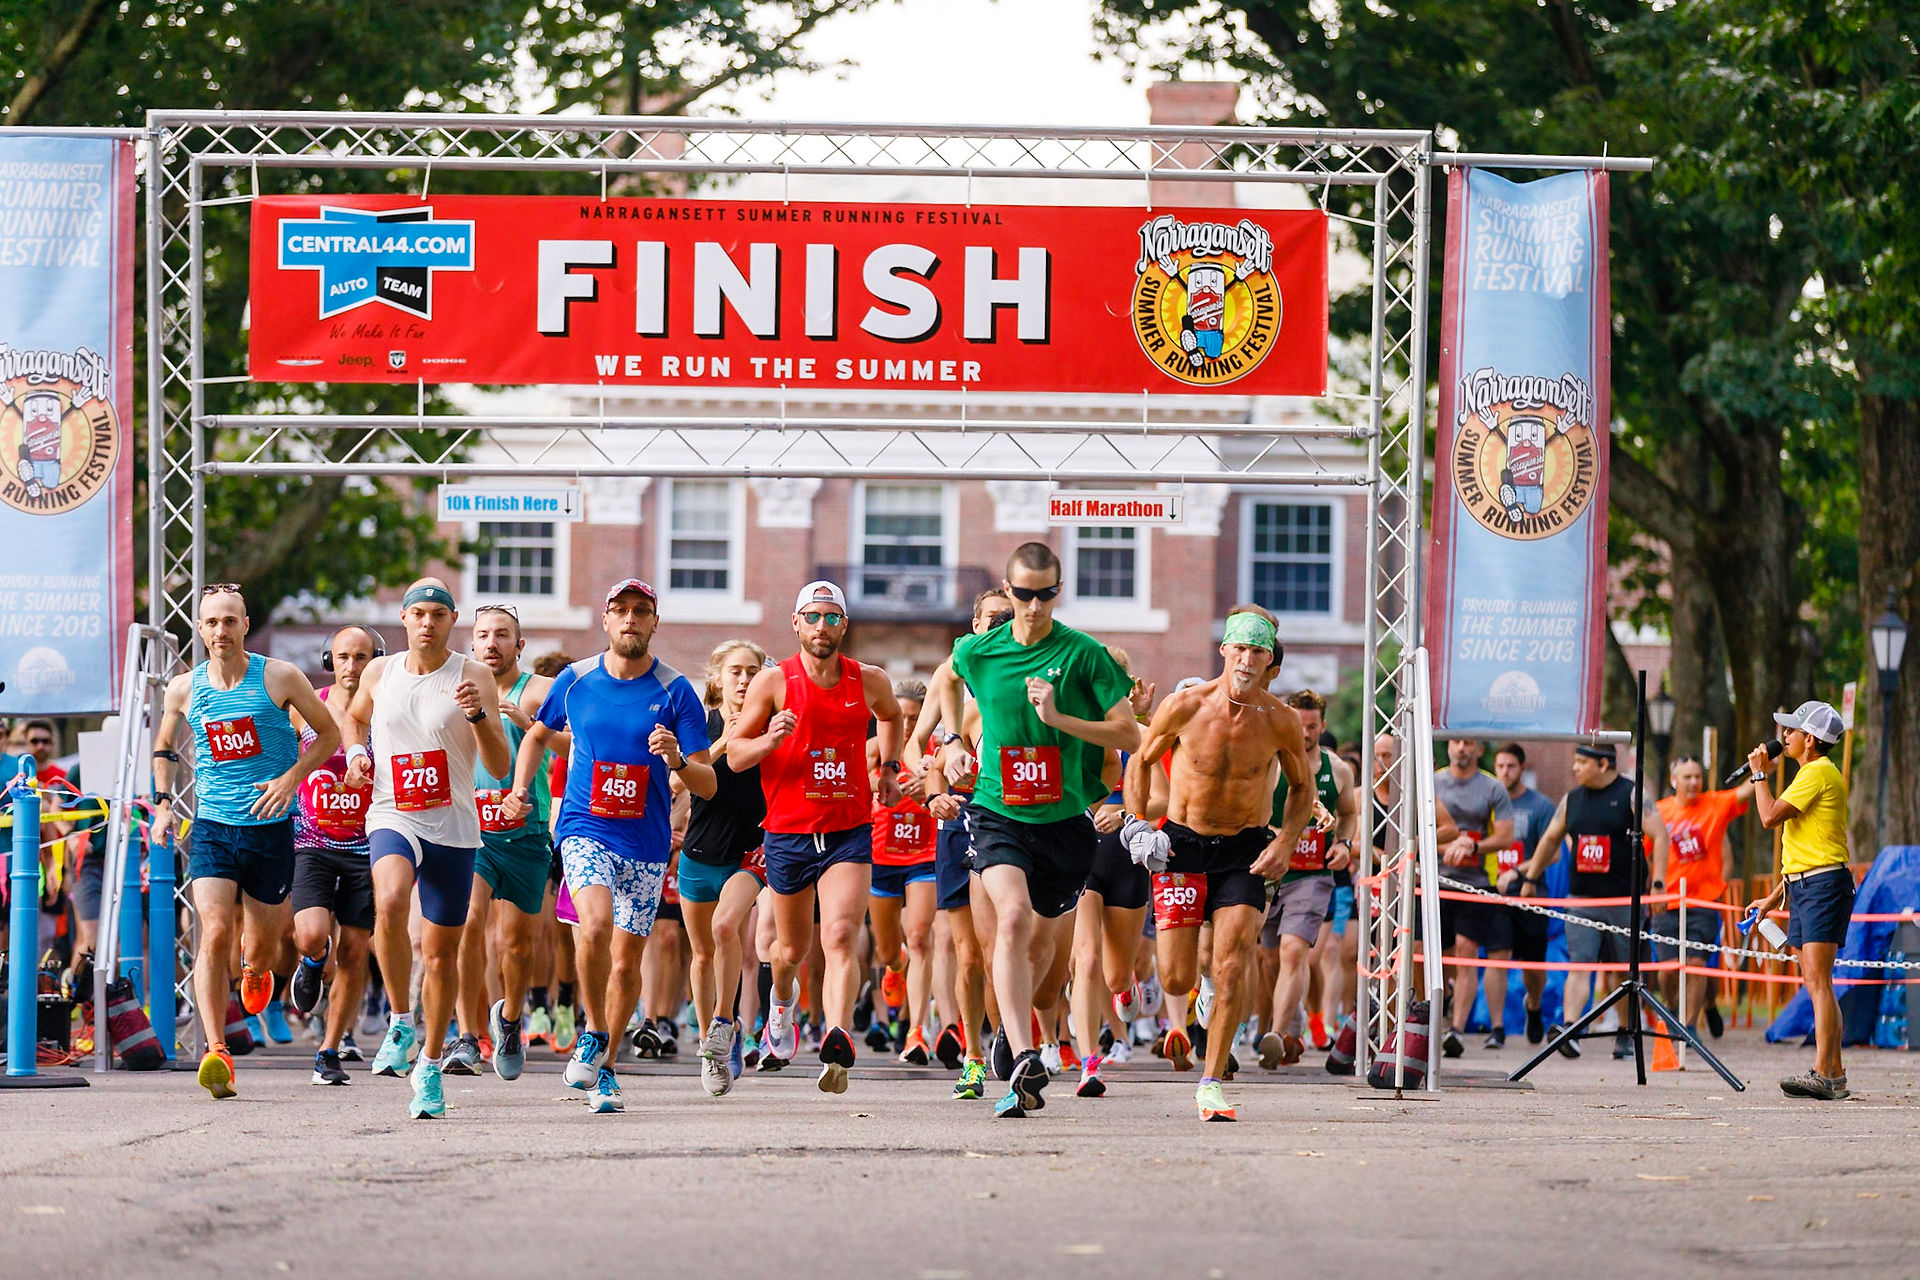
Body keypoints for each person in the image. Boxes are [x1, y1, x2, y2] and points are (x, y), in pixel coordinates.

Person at [935, 545, 1139, 1117]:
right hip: (997, 811)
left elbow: (1130, 736)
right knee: (1013, 916)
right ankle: (1025, 1054)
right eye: (1021, 594)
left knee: (1045, 949)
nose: (1031, 606)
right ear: (1009, 589)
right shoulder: (981, 649)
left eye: (1044, 594)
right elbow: (944, 679)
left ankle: (1014, 1031)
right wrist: (952, 740)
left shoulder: (1084, 654)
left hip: (1065, 822)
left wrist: (1059, 720)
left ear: (1058, 591)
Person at [500, 578, 715, 1114]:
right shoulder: (574, 680)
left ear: (654, 623)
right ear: (606, 619)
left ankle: (608, 1068)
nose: (630, 620)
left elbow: (709, 782)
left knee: (625, 963)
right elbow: (535, 735)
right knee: (593, 927)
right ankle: (594, 1031)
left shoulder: (675, 690)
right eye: (620, 610)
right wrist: (520, 791)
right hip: (583, 828)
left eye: (641, 612)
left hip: (645, 842)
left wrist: (678, 761)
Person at [1123, 606, 1316, 1121]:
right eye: (1241, 649)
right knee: (1175, 977)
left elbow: (1302, 786)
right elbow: (1141, 761)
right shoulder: (1184, 705)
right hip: (1183, 845)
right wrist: (1139, 824)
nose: (1248, 660)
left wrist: (1287, 840)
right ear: (1224, 650)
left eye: (1260, 652)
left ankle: (1211, 1082)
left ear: (1271, 661)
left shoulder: (1280, 720)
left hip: (1244, 848)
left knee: (1233, 962)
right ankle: (1184, 999)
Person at [150, 585, 338, 1099]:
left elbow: (328, 735)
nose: (220, 632)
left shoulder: (279, 676)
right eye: (211, 623)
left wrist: (291, 779)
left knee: (260, 946)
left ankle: (255, 970)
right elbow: (164, 747)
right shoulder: (183, 688)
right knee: (212, 932)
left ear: (246, 625)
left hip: (271, 826)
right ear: (199, 628)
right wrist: (164, 804)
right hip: (213, 825)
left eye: (229, 621)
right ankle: (217, 1050)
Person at [342, 579, 512, 1119]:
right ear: (404, 618)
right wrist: (355, 754)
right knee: (390, 900)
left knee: (441, 956)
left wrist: (480, 716)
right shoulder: (380, 671)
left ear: (452, 619)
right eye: (418, 613)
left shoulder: (473, 675)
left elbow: (502, 765)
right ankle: (398, 1019)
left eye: (439, 614)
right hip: (393, 811)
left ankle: (432, 1066)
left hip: (454, 824)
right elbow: (353, 715)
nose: (428, 623)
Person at [728, 581, 904, 1094]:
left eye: (831, 617)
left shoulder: (867, 680)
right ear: (796, 624)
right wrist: (771, 736)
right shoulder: (772, 682)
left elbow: (891, 715)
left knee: (842, 935)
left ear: (844, 625)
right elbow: (736, 756)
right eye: (812, 617)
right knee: (790, 949)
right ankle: (781, 1006)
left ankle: (837, 1034)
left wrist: (889, 767)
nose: (822, 627)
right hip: (787, 833)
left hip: (848, 827)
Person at [447, 604, 557, 1083]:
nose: (492, 643)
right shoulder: (457, 686)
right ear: (471, 643)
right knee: (467, 922)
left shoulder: (541, 690)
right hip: (468, 829)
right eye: (484, 635)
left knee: (514, 943)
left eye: (503, 635)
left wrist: (530, 723)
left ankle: (510, 1018)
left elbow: (578, 746)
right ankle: (467, 1036)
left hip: (525, 830)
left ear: (520, 644)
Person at [1515, 743, 1668, 1059]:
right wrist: (1530, 878)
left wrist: (1657, 885)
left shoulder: (1631, 794)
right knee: (1580, 964)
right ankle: (1571, 1030)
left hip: (1625, 900)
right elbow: (1550, 839)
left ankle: (1625, 1033)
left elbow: (1661, 835)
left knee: (1624, 972)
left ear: (1603, 764)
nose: (1575, 768)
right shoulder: (1572, 799)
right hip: (1582, 899)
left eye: (1581, 762)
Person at [919, 588, 1013, 1100]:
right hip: (958, 823)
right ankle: (974, 1059)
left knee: (1002, 944)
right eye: (991, 618)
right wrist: (932, 792)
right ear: (974, 624)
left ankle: (1009, 1037)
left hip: (1008, 823)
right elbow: (922, 751)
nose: (999, 626)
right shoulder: (952, 681)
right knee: (967, 953)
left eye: (1008, 617)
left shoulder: (1033, 683)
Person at [1745, 701, 1853, 1099]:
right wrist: (1772, 899)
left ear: (1810, 739)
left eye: (1791, 731)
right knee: (1814, 981)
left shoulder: (1817, 772)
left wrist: (1759, 774)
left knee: (1820, 982)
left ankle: (1825, 1073)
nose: (1783, 737)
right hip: (1807, 885)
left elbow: (1769, 816)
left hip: (1824, 886)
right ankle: (1833, 1071)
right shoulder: (1812, 773)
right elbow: (1802, 852)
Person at [288, 626, 382, 1085]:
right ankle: (308, 964)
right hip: (313, 843)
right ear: (330, 661)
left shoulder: (385, 716)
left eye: (362, 657)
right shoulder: (306, 710)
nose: (352, 666)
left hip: (368, 846)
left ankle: (329, 1051)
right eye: (343, 656)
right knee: (311, 936)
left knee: (355, 950)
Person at [679, 639, 771, 1097]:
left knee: (725, 926)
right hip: (698, 852)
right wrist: (722, 741)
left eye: (752, 670)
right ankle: (710, 1048)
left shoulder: (772, 725)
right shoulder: (700, 724)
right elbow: (680, 781)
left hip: (749, 851)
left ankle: (724, 1022)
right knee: (700, 955)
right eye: (735, 671)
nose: (744, 679)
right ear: (718, 677)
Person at [1258, 688, 1356, 1068]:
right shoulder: (1271, 762)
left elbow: (1349, 813)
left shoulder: (1339, 769)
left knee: (1293, 952)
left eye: (1312, 726)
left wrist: (1345, 844)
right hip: (1270, 871)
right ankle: (1295, 1024)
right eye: (1298, 725)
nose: (1304, 734)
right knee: (1268, 960)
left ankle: (1276, 1035)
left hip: (1313, 876)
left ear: (1322, 726)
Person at [1651, 755, 1751, 1038]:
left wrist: (1762, 769)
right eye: (1687, 777)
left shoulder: (1714, 805)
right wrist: (1654, 885)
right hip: (1668, 901)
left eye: (1698, 776)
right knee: (1669, 970)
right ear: (1674, 781)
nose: (1694, 782)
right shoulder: (1659, 812)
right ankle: (1674, 1009)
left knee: (1696, 965)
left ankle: (1689, 1026)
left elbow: (1744, 792)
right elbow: (1645, 850)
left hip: (1704, 902)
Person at [868, 679, 939, 1064]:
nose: (908, 726)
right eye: (902, 717)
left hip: (923, 856)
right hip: (880, 859)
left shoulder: (936, 754)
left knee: (921, 937)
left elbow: (955, 798)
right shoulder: (871, 752)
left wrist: (926, 792)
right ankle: (895, 970)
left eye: (915, 717)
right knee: (887, 951)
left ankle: (916, 1032)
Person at [1432, 740, 1513, 1057]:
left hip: (1476, 883)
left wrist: (1472, 847)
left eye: (1468, 743)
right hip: (1435, 881)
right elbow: (1413, 831)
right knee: (1437, 956)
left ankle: (1457, 1030)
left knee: (1467, 953)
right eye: (1456, 742)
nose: (1461, 748)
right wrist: (1448, 848)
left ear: (1479, 749)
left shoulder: (1493, 788)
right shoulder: (1433, 781)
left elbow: (1505, 836)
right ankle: (1442, 1006)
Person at [1488, 743, 1558, 1046]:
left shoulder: (1540, 805)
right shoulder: (1487, 802)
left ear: (1522, 767)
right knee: (1497, 956)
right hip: (1494, 892)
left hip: (1531, 892)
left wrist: (1521, 872)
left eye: (1511, 766)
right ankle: (1497, 1029)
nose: (1505, 772)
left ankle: (1534, 1005)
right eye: (1500, 766)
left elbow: (1553, 852)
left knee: (1532, 966)